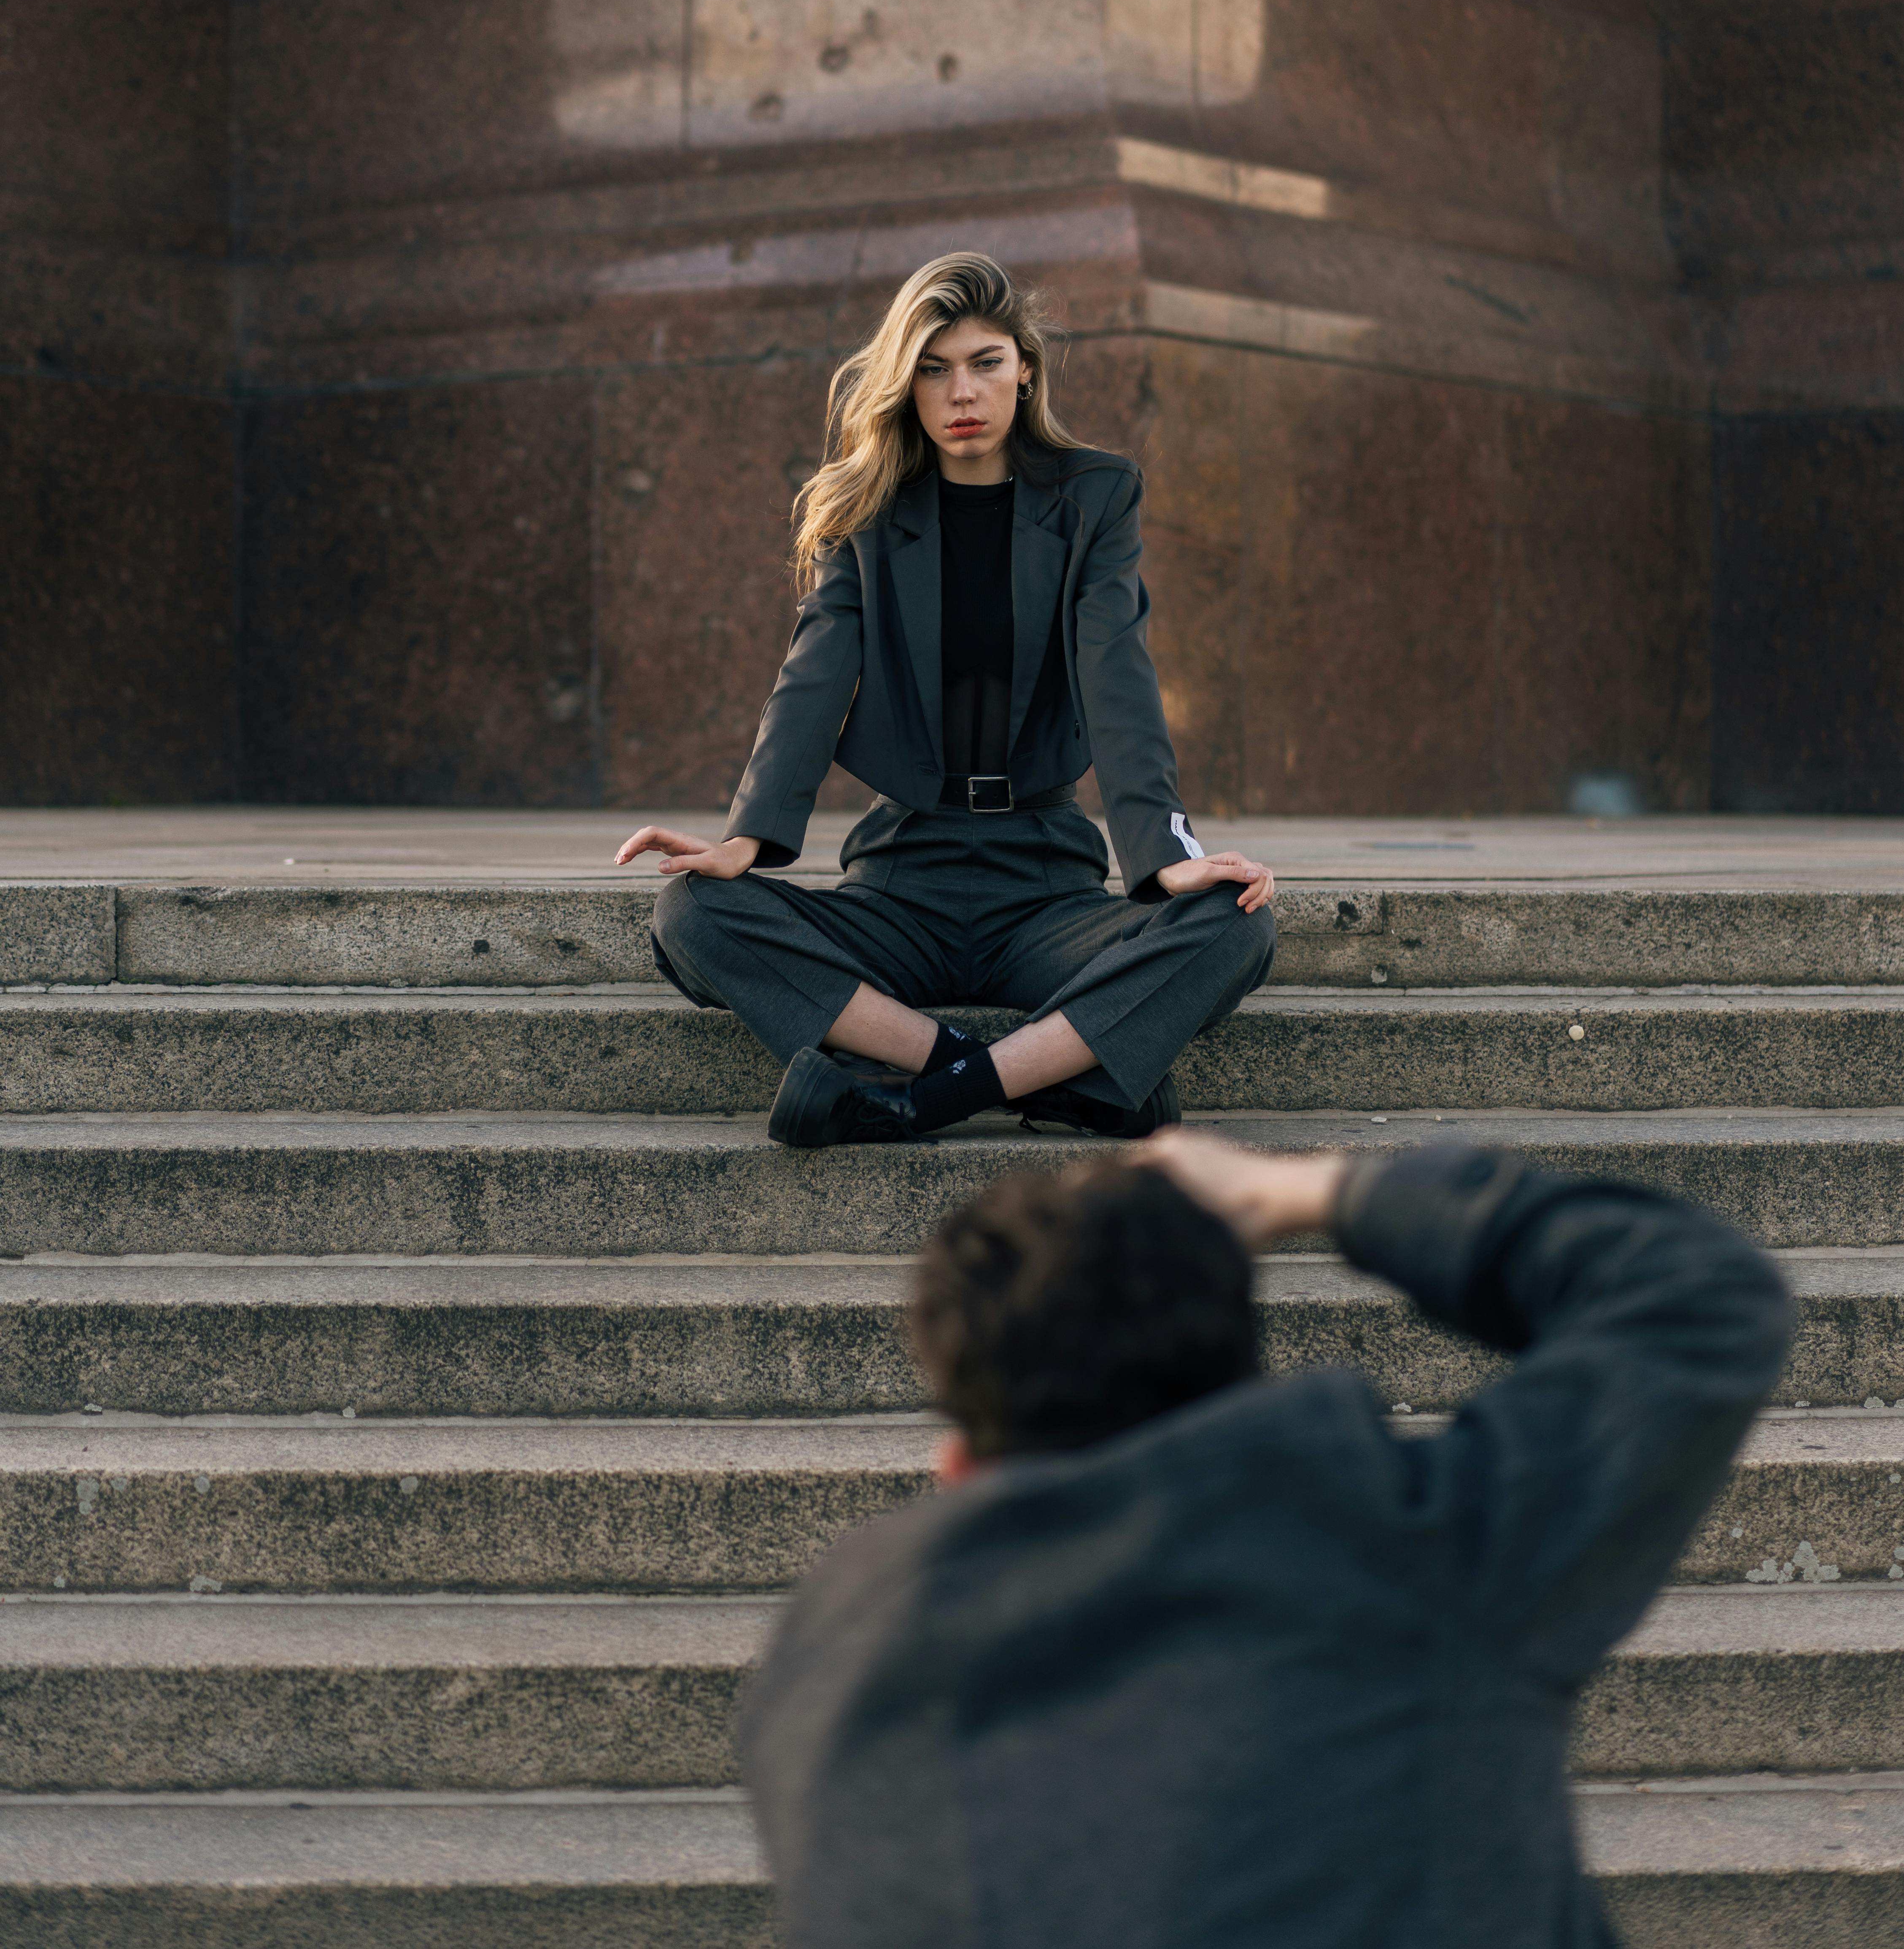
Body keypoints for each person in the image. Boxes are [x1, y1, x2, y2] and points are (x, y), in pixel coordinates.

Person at [742, 1129, 1792, 1949]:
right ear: (1240, 1390)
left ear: (958, 1468)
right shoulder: (1409, 1547)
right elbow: (1697, 1294)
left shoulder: (822, 1670)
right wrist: (1315, 1190)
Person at [614, 252, 1276, 1146]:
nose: (961, 390)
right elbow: (814, 669)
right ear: (905, 384)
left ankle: (915, 1098)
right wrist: (742, 837)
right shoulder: (868, 510)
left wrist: (1165, 855)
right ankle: (1058, 1081)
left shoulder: (1094, 497)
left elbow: (1116, 672)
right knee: (691, 908)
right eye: (932, 367)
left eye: (985, 362)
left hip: (1047, 887)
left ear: (1025, 368)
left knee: (1233, 920)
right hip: (900, 881)